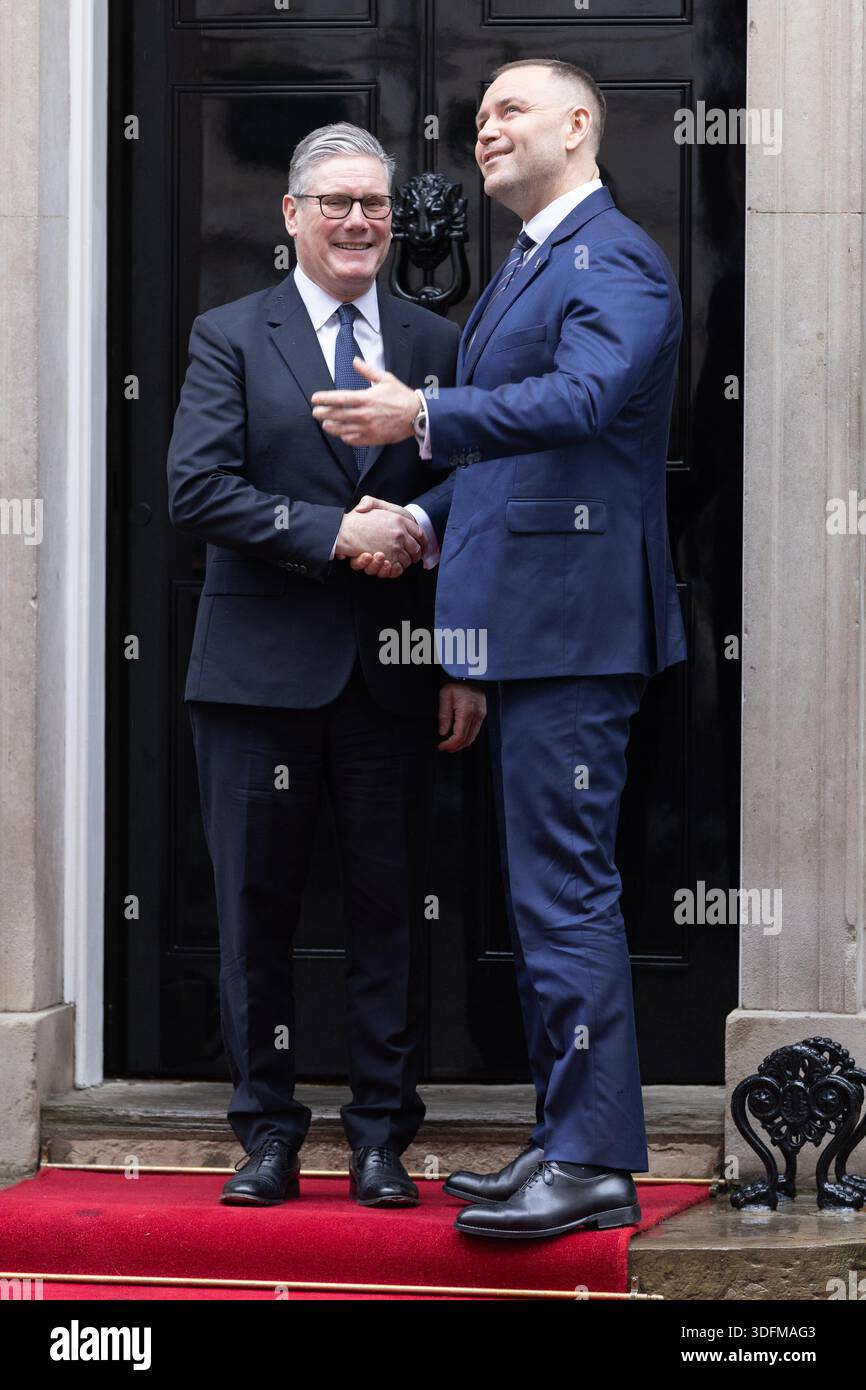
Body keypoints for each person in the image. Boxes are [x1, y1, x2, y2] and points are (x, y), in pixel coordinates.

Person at [311, 62, 688, 1239]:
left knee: (565, 895)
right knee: (542, 898)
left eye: (509, 110)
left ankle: (588, 1160)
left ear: (579, 126)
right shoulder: (529, 261)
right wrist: (426, 518)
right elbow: (514, 464)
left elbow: (580, 402)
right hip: (522, 630)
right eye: (479, 116)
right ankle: (562, 1140)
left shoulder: (612, 255)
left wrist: (421, 415)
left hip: (575, 630)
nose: (484, 128)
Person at [167, 123, 486, 1211]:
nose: (359, 222)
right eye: (337, 203)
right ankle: (263, 1133)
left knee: (390, 910)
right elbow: (196, 489)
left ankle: (381, 1137)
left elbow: (474, 491)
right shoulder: (229, 336)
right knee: (251, 913)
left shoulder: (435, 342)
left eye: (375, 204)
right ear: (292, 216)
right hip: (256, 679)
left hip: (393, 677)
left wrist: (456, 648)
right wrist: (330, 531)